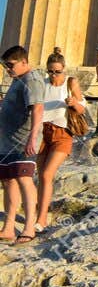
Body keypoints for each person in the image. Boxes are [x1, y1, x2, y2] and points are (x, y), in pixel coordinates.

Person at [36, 47, 86, 231]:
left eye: (57, 71)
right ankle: (40, 215)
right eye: (50, 71)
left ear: (64, 69)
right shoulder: (42, 84)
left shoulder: (70, 83)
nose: (54, 75)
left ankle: (41, 219)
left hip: (62, 134)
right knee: (41, 176)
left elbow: (82, 109)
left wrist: (73, 103)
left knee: (47, 174)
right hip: (42, 132)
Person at [0, 46, 45, 244]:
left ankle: (29, 228)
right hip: (7, 141)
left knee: (24, 179)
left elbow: (38, 109)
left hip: (22, 141)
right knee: (8, 180)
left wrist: (33, 137)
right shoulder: (18, 79)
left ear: (24, 62)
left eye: (10, 65)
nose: (8, 70)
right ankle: (8, 228)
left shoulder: (32, 79)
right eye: (5, 66)